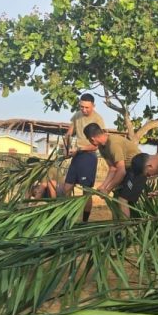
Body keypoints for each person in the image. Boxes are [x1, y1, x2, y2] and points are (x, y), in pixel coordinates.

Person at [83, 123, 146, 218]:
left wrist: (107, 189)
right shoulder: (101, 147)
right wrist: (103, 186)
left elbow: (121, 171)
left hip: (137, 170)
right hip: (127, 170)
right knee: (116, 200)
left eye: (89, 140)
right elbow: (113, 169)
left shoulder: (113, 144)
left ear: (92, 139)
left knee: (122, 200)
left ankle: (125, 230)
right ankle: (117, 228)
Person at [63, 93, 106, 222]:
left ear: (93, 106)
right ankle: (65, 218)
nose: (84, 110)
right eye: (81, 107)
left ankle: (84, 222)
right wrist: (66, 147)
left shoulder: (98, 119)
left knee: (86, 193)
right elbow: (68, 134)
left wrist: (79, 149)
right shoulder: (77, 115)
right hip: (76, 156)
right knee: (66, 188)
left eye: (87, 107)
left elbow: (97, 144)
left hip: (88, 156)